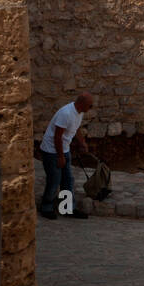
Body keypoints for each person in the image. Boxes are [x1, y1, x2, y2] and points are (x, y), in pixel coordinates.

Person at [38, 91, 93, 220]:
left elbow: (76, 128)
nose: (91, 109)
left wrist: (82, 143)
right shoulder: (66, 113)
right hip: (51, 151)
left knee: (68, 180)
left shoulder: (79, 113)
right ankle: (46, 207)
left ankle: (67, 208)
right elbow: (57, 137)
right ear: (81, 104)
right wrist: (60, 156)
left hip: (64, 149)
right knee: (54, 180)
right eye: (90, 106)